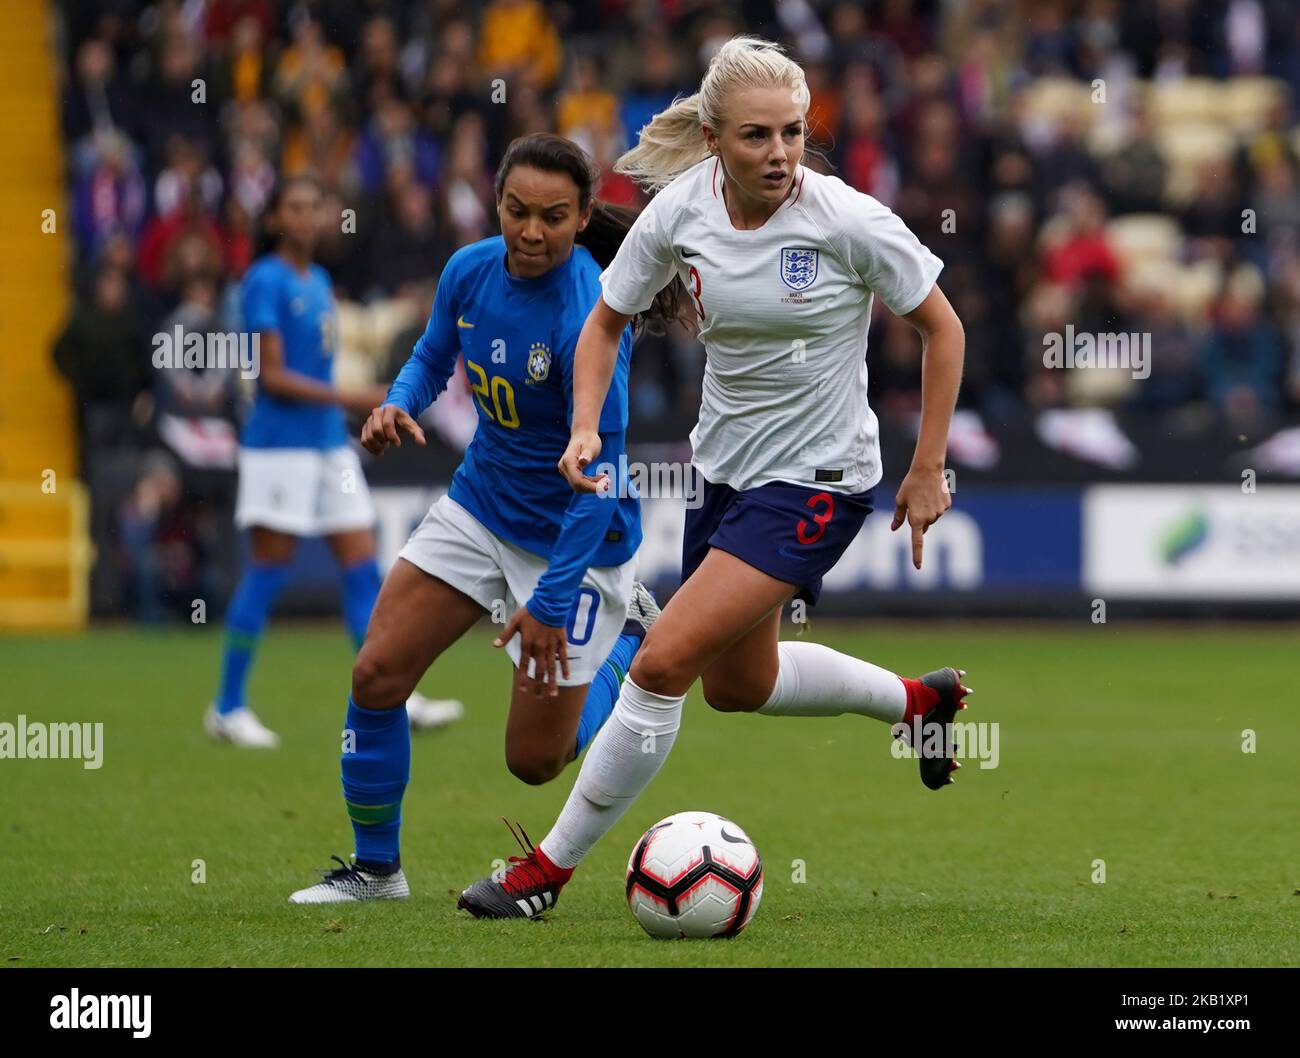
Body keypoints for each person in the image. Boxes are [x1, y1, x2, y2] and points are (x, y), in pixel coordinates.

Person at [458, 36, 972, 920]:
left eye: (794, 134)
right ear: (710, 138)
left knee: (661, 665)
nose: (779, 155)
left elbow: (943, 328)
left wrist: (926, 468)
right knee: (742, 688)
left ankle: (544, 871)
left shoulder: (846, 219)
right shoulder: (680, 213)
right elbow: (605, 322)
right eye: (756, 137)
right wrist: (584, 426)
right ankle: (919, 700)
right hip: (725, 472)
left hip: (818, 480)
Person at [288, 133, 681, 904]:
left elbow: (597, 480)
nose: (532, 232)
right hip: (479, 506)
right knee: (376, 673)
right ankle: (377, 872)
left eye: (553, 217)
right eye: (517, 211)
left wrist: (551, 600)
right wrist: (399, 401)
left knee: (534, 761)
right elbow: (435, 354)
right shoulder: (469, 270)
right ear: (495, 202)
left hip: (575, 540)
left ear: (582, 218)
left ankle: (628, 642)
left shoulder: (591, 319)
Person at [206, 176, 459, 748]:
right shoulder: (263, 280)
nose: (305, 218)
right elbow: (269, 377)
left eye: (312, 207)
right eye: (293, 208)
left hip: (325, 445)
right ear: (274, 220)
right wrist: (355, 396)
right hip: (279, 446)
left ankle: (395, 692)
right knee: (269, 567)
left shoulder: (318, 280)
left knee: (361, 564)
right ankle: (227, 705)